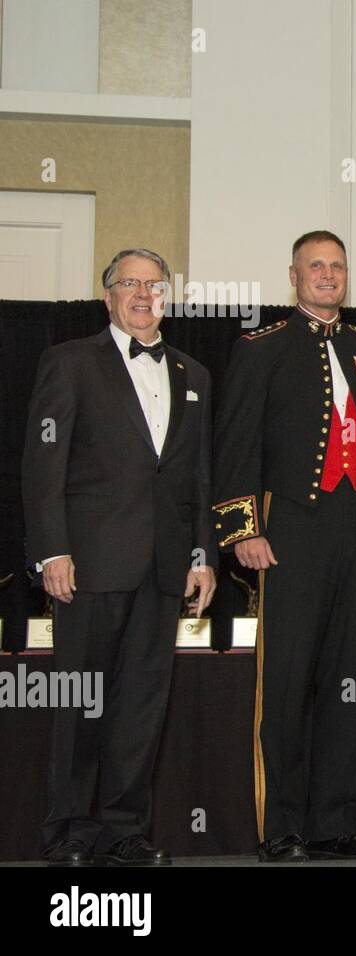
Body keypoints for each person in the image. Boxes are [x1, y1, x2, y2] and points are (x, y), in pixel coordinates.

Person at [22, 248, 216, 865]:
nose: (141, 294)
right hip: (90, 567)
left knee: (140, 707)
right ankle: (71, 831)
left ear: (168, 296)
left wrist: (202, 555)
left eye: (153, 285)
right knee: (83, 700)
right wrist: (51, 549)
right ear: (106, 295)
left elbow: (199, 479)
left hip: (163, 571)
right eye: (128, 283)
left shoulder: (195, 374)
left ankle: (124, 829)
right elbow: (41, 467)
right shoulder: (70, 362)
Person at [212, 230, 356, 863]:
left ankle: (334, 825)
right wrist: (241, 531)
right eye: (316, 266)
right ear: (293, 275)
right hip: (290, 534)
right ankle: (280, 827)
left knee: (348, 682)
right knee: (287, 684)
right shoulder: (262, 349)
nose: (327, 275)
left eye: (337, 266)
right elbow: (235, 445)